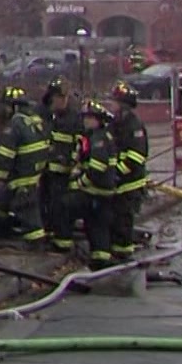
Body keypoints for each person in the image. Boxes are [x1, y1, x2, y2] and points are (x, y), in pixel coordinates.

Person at [0, 85, 48, 244]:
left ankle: (36, 248)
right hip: (34, 174)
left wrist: (0, 178)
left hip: (21, 177)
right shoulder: (34, 119)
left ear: (14, 106)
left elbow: (6, 155)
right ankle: (0, 233)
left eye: (7, 106)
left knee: (28, 214)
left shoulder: (14, 124)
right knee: (1, 204)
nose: (5, 110)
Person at [106, 80, 149, 261]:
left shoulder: (134, 126)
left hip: (130, 184)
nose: (111, 105)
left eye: (114, 102)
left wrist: (116, 173)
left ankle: (124, 257)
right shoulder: (115, 123)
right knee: (116, 220)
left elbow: (136, 157)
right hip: (119, 183)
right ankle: (117, 253)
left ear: (123, 105)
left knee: (123, 221)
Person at [39, 79, 83, 254]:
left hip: (65, 174)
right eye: (59, 97)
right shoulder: (43, 114)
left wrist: (75, 169)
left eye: (64, 97)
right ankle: (48, 235)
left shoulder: (74, 118)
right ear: (51, 97)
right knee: (45, 203)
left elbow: (81, 147)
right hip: (46, 172)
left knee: (61, 207)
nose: (62, 101)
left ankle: (62, 243)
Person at [75, 99, 120, 265]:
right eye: (85, 117)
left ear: (98, 120)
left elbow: (97, 167)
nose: (86, 121)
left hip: (99, 191)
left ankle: (101, 262)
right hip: (99, 190)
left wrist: (80, 182)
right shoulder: (95, 136)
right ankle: (99, 259)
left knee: (97, 226)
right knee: (95, 226)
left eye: (89, 118)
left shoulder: (99, 139)